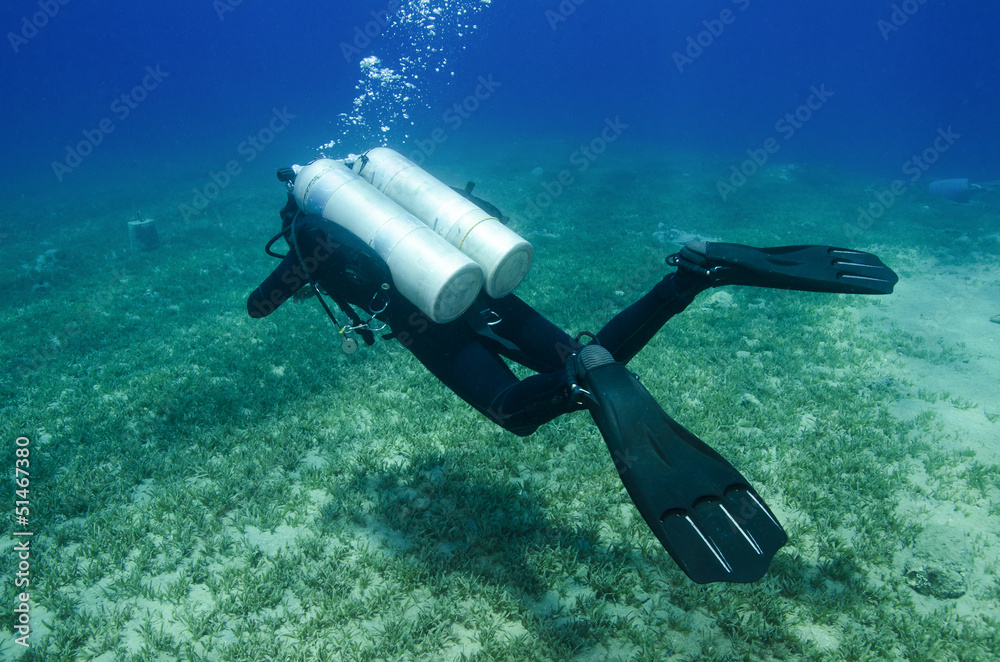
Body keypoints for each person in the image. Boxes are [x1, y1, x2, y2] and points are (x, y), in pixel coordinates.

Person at [247, 162, 898, 584]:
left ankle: (581, 383)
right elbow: (485, 211)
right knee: (577, 356)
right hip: (483, 287)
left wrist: (293, 270)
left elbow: (261, 304)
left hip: (431, 323)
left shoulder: (307, 233)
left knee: (510, 407)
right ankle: (690, 277)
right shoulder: (391, 191)